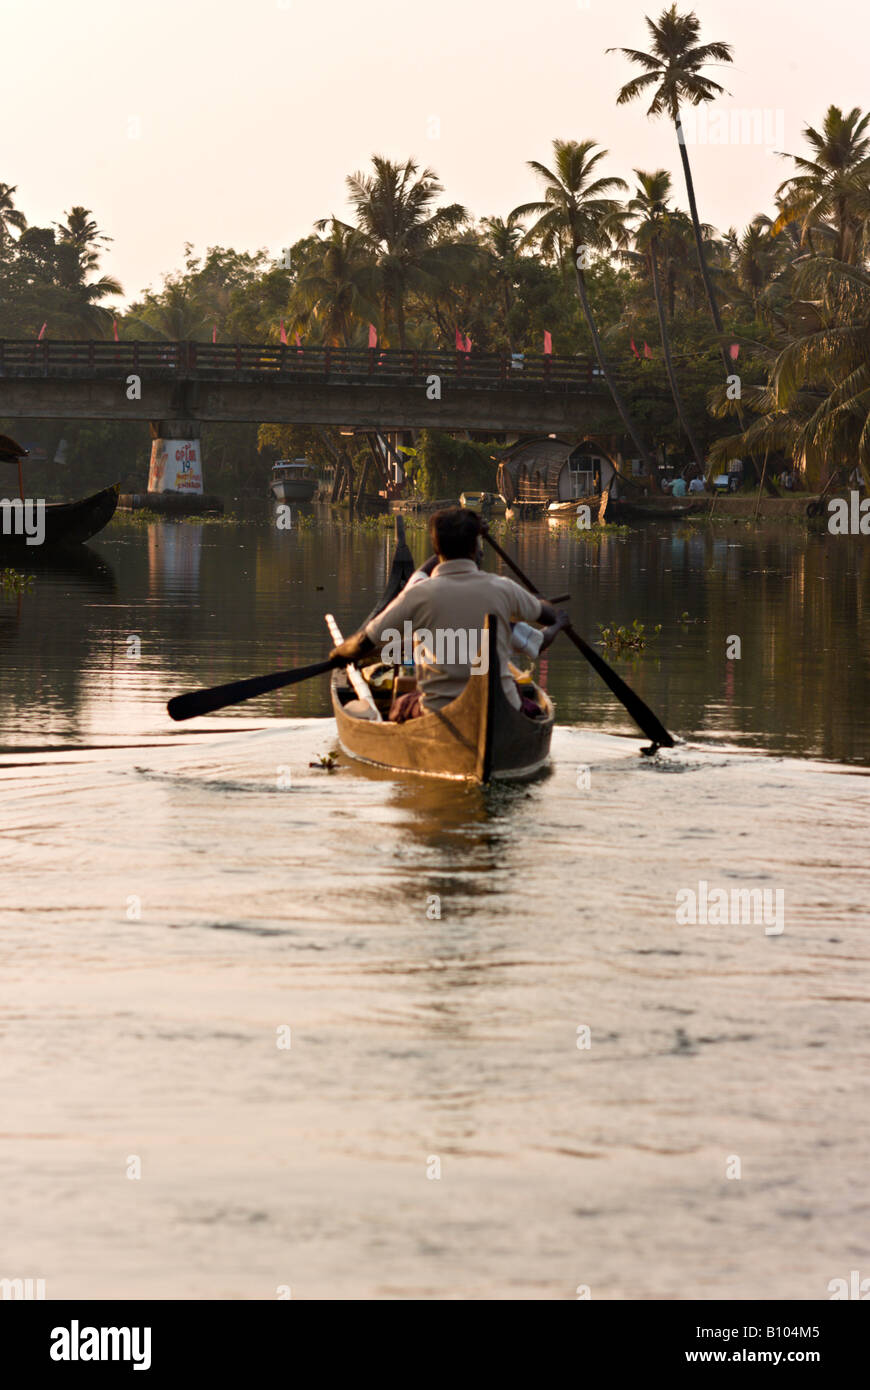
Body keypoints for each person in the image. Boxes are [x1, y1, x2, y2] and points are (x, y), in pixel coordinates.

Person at [330, 507, 568, 721]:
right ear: (475, 548)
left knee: (401, 706)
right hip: (499, 709)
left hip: (439, 712)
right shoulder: (503, 588)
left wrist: (339, 654)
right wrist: (558, 621)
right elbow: (547, 615)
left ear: (436, 548)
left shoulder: (418, 594)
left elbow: (363, 642)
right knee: (528, 708)